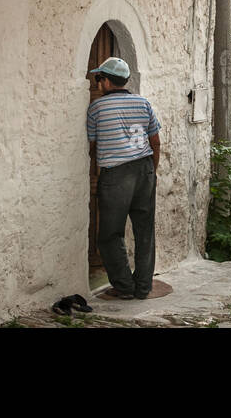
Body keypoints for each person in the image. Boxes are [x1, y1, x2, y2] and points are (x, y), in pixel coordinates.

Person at [86, 57, 161, 299]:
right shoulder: (143, 103)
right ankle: (143, 287)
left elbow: (93, 144)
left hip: (116, 174)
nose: (98, 83)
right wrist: (152, 171)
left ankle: (124, 286)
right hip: (144, 169)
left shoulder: (96, 108)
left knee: (110, 234)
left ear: (106, 81)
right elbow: (155, 141)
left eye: (99, 78)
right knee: (144, 231)